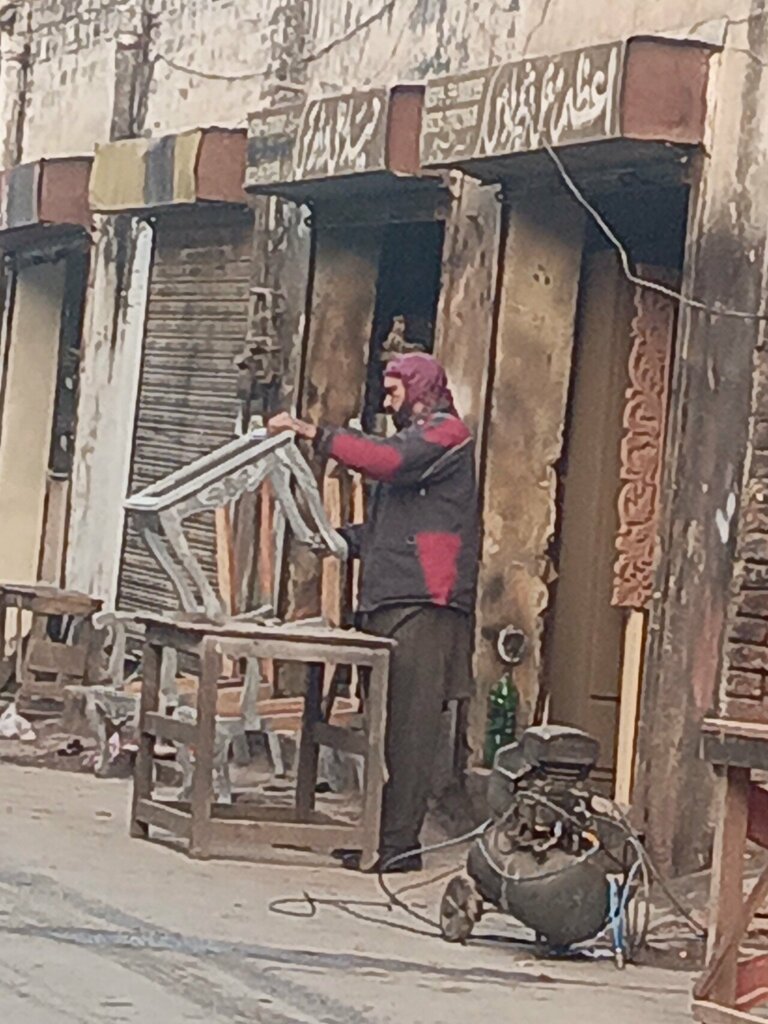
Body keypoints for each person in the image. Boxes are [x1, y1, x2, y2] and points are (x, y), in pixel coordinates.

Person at [268, 352, 479, 872]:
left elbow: (387, 461)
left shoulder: (446, 435)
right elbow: (390, 528)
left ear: (419, 387)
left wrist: (313, 433)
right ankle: (383, 836)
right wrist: (337, 542)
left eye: (393, 392)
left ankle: (399, 845)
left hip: (426, 605)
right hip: (391, 603)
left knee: (411, 732)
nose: (387, 402)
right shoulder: (414, 445)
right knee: (386, 728)